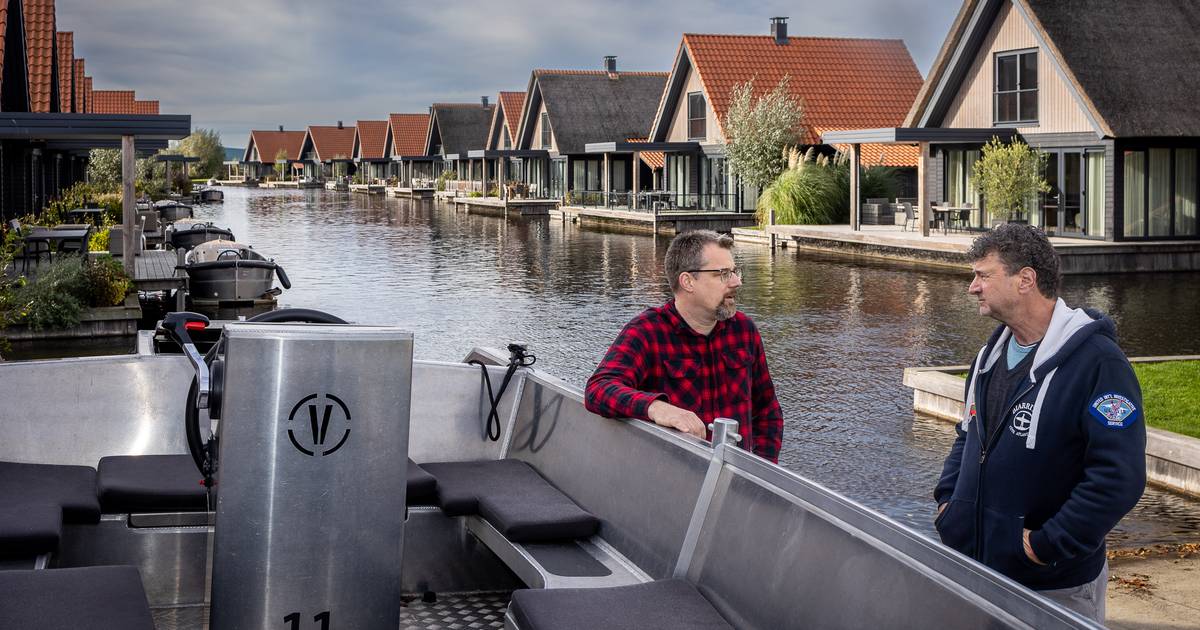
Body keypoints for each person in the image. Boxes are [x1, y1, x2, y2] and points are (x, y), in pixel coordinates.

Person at [935, 224, 1145, 623]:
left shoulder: (1099, 363)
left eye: (983, 275)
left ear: (1025, 280)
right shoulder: (988, 358)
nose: (972, 287)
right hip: (977, 569)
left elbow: (1119, 477)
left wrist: (1045, 545)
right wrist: (949, 504)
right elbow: (967, 435)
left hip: (1053, 586)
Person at [584, 230, 783, 462]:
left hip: (734, 476)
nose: (737, 282)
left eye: (735, 272)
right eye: (723, 274)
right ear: (688, 281)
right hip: (674, 475)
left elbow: (767, 410)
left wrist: (761, 470)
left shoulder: (744, 330)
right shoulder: (648, 332)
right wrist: (657, 408)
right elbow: (599, 389)